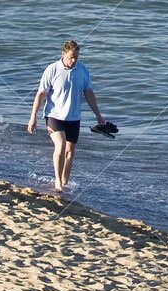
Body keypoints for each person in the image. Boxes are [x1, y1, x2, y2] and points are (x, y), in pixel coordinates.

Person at [27, 39, 108, 191]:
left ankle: (64, 182)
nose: (73, 60)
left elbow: (89, 93)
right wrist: (33, 117)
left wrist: (98, 115)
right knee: (61, 145)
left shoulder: (82, 70)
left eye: (76, 57)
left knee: (70, 151)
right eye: (71, 57)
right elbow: (40, 94)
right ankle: (57, 181)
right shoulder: (52, 69)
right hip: (54, 115)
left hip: (74, 117)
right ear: (63, 54)